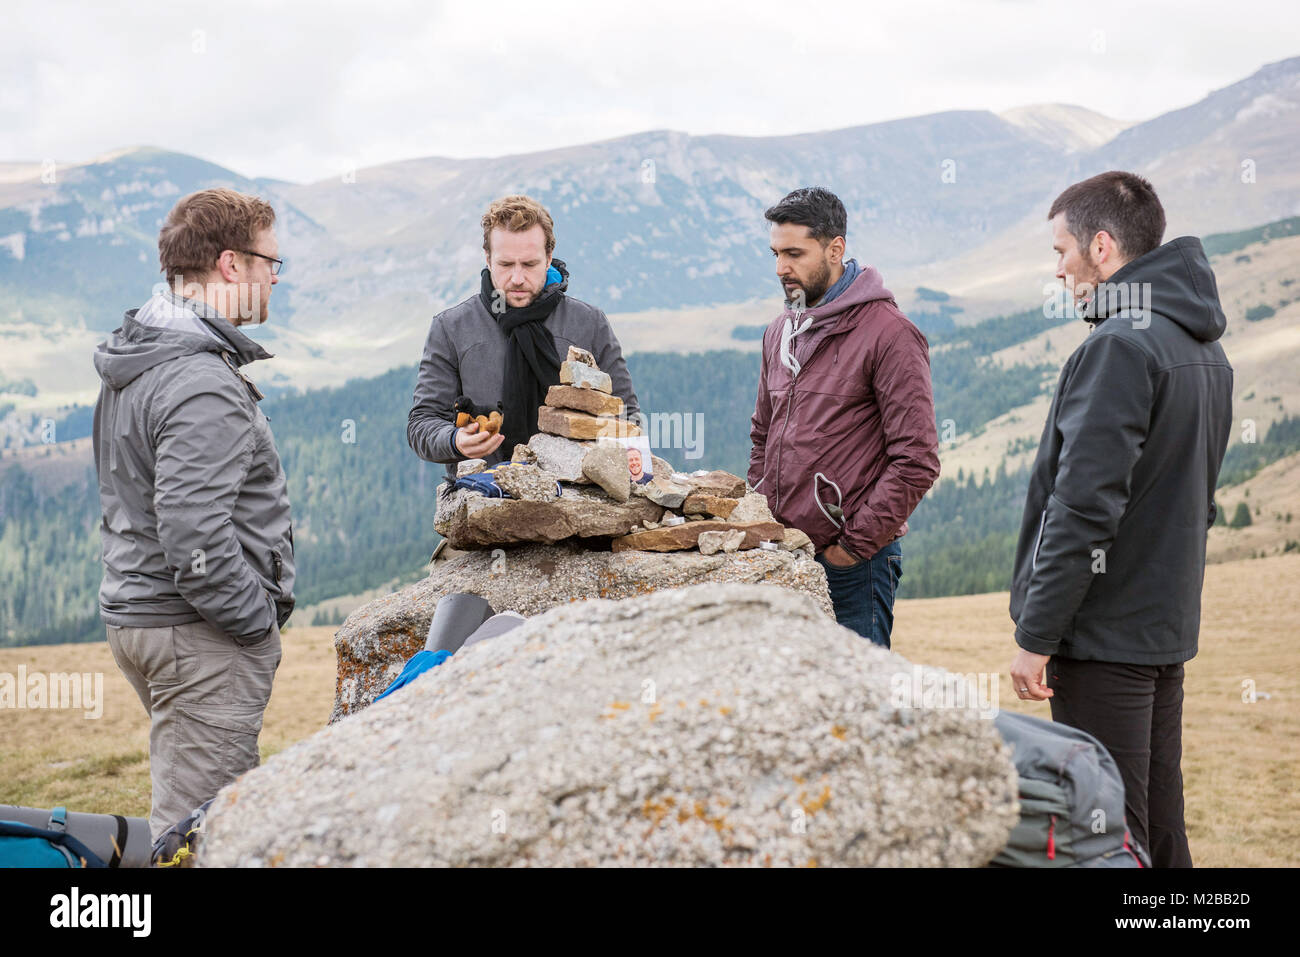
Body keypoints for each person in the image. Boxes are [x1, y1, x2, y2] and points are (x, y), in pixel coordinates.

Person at [1008, 171, 1233, 868]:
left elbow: (1081, 510)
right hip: (1161, 631)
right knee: (1160, 828)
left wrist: (1035, 634)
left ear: (1101, 247)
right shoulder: (1201, 347)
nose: (1060, 269)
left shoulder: (1119, 346)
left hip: (1103, 637)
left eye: (1062, 251)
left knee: (1105, 834)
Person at [92, 188, 294, 841]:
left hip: (145, 615)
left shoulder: (141, 351)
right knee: (203, 831)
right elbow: (192, 534)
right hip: (197, 631)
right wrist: (255, 625)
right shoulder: (200, 379)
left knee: (192, 811)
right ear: (232, 264)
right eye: (271, 263)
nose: (273, 279)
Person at [748, 187, 940, 648]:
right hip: (782, 559)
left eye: (795, 253)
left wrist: (850, 549)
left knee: (858, 709)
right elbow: (762, 434)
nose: (781, 268)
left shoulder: (891, 334)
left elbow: (917, 459)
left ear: (836, 248)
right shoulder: (779, 331)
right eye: (776, 253)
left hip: (856, 568)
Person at [408, 195, 639, 477]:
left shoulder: (589, 324)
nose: (517, 278)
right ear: (488, 259)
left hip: (577, 498)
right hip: (486, 500)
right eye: (506, 264)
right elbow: (422, 423)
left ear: (549, 259)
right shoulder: (452, 327)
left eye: (529, 264)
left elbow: (627, 418)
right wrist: (455, 440)